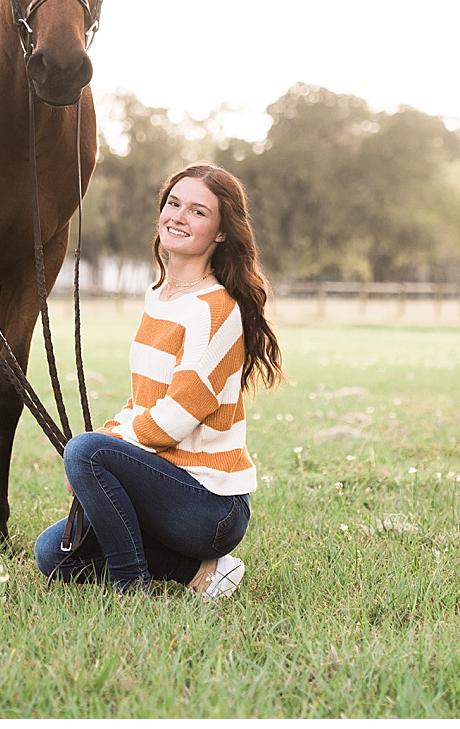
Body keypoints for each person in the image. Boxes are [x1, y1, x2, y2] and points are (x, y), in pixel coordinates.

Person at [34, 162, 284, 595]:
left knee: (86, 450)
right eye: (173, 204)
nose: (178, 217)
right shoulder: (159, 297)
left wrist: (95, 453)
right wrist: (99, 451)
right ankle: (202, 574)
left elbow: (175, 418)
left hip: (210, 506)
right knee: (53, 554)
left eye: (198, 212)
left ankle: (131, 589)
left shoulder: (214, 309)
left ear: (222, 232)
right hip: (164, 487)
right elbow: (143, 404)